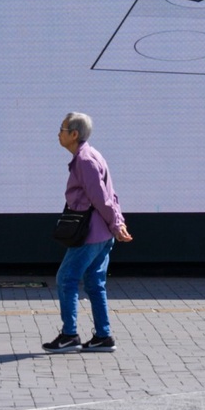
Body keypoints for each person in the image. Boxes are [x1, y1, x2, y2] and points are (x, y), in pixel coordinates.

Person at [43, 112, 132, 354]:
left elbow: (101, 199)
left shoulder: (84, 160)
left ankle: (70, 334)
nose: (58, 134)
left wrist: (116, 224)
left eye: (62, 129)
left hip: (91, 233)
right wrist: (118, 224)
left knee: (66, 278)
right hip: (103, 235)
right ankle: (103, 336)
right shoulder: (93, 155)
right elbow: (111, 195)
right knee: (95, 283)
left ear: (74, 134)